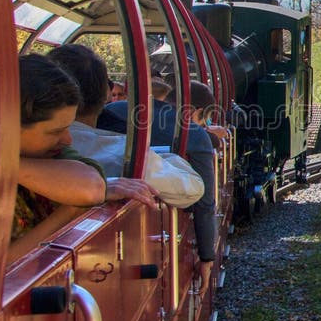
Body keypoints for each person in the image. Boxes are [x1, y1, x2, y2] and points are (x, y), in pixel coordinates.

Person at [99, 78, 221, 291]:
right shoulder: (194, 133)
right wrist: (207, 257)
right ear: (192, 111)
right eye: (206, 119)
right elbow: (205, 202)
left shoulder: (114, 109)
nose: (205, 125)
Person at [47, 44, 204, 208]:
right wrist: (162, 156)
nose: (66, 139)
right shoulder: (121, 153)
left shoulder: (28, 151)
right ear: (106, 93)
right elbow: (192, 188)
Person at [11, 54, 109, 262]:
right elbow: (3, 267)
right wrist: (72, 207)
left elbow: (91, 187)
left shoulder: (51, 152)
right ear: (9, 126)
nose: (67, 139)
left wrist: (1, 164)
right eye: (55, 131)